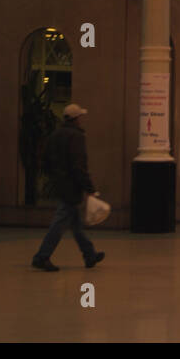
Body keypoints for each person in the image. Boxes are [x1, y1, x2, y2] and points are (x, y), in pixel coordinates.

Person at [32, 103, 105, 272]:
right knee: (60, 221)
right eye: (80, 117)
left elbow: (46, 161)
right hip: (71, 186)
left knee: (75, 223)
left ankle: (89, 254)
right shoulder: (76, 137)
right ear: (76, 119)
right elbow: (78, 165)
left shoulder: (55, 135)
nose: (82, 120)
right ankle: (42, 256)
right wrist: (89, 187)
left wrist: (56, 178)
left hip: (60, 183)